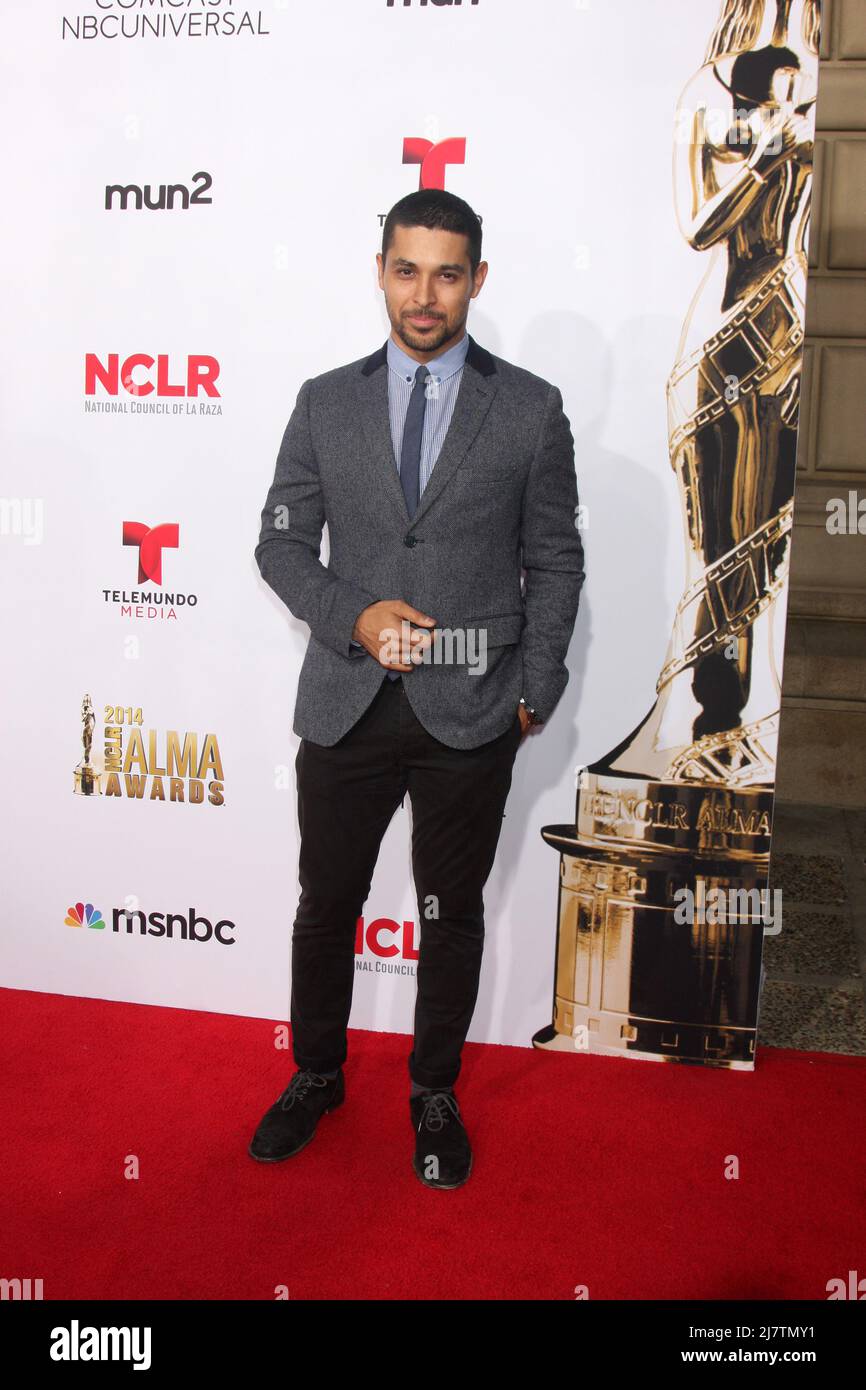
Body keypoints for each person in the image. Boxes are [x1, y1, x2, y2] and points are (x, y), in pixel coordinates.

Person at [249, 188, 585, 1189]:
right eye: (407, 269)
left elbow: (554, 560)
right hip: (346, 697)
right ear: (381, 270)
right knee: (325, 905)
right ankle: (316, 1072)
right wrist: (352, 611)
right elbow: (276, 543)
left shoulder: (527, 407)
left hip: (470, 710)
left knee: (450, 912)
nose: (424, 294)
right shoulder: (323, 400)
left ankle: (431, 1091)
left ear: (476, 279)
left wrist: (536, 685)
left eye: (447, 272)